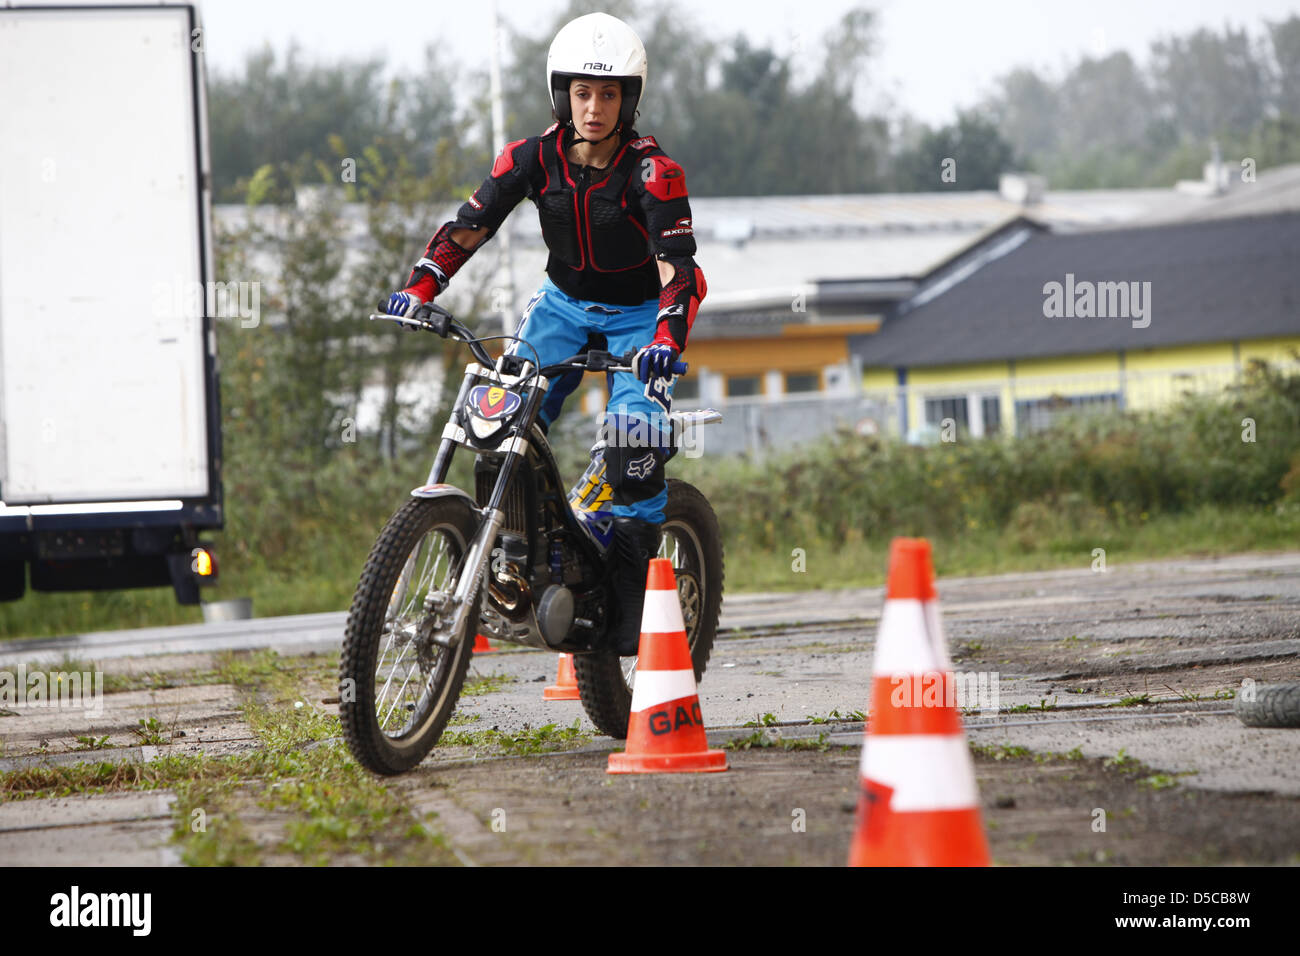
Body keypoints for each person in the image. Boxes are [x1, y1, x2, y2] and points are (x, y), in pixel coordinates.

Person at [384, 12, 707, 656]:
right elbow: (471, 224)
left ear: (629, 100)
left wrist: (666, 343)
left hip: (641, 319)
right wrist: (422, 284)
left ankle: (632, 601)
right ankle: (512, 553)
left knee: (633, 449)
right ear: (561, 95)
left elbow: (682, 274)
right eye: (582, 93)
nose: (594, 108)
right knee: (498, 421)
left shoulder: (654, 172)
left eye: (609, 94)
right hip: (561, 308)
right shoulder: (532, 158)